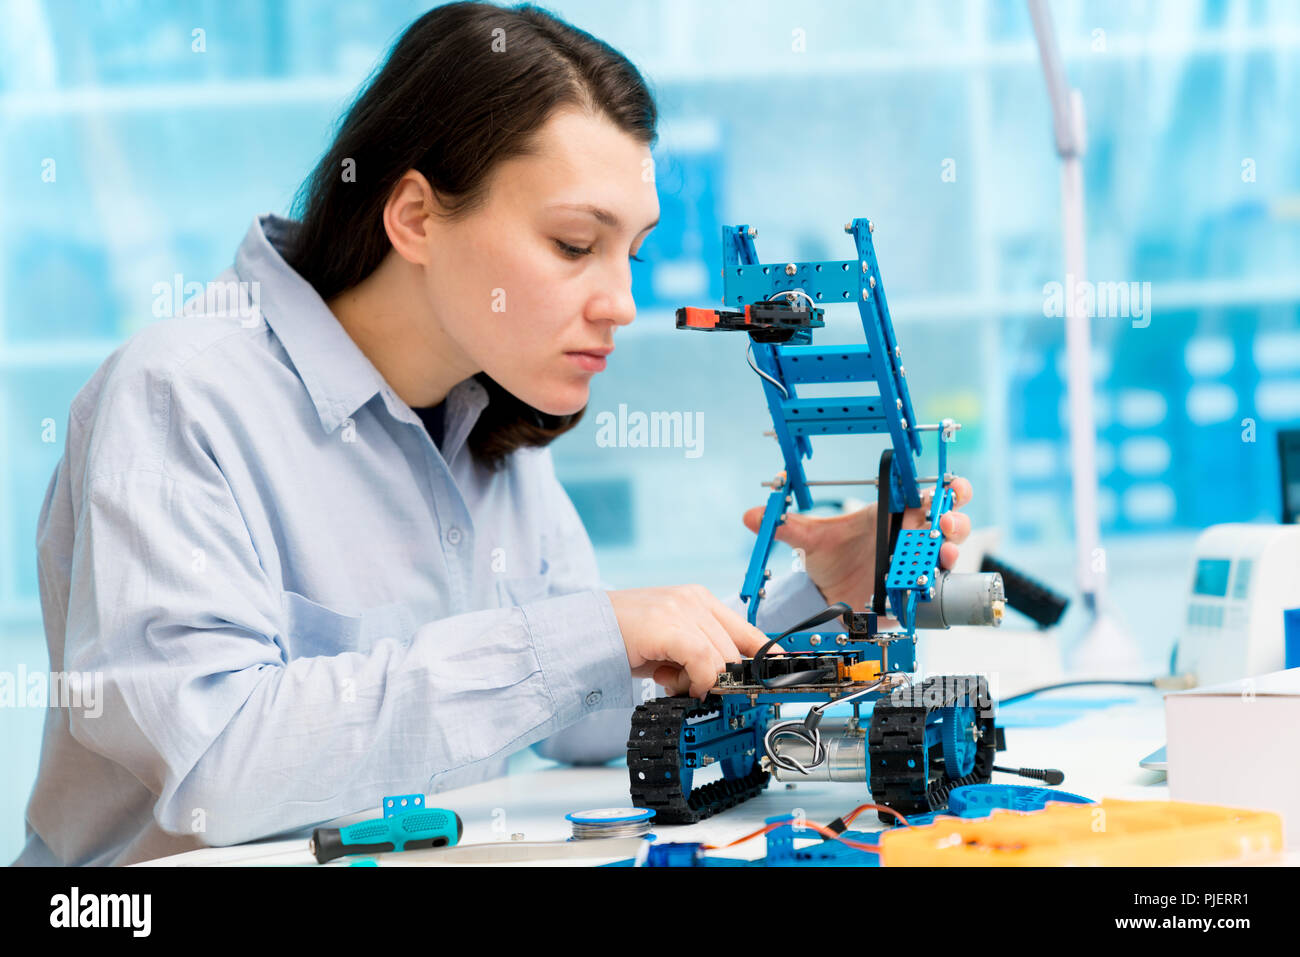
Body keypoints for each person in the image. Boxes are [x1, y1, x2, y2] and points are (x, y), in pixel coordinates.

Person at [15, 1, 972, 866]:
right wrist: (577, 637)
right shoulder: (178, 396)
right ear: (417, 215)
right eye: (572, 246)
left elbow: (601, 713)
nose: (623, 305)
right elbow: (216, 765)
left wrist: (819, 605)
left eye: (630, 255)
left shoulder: (481, 416)